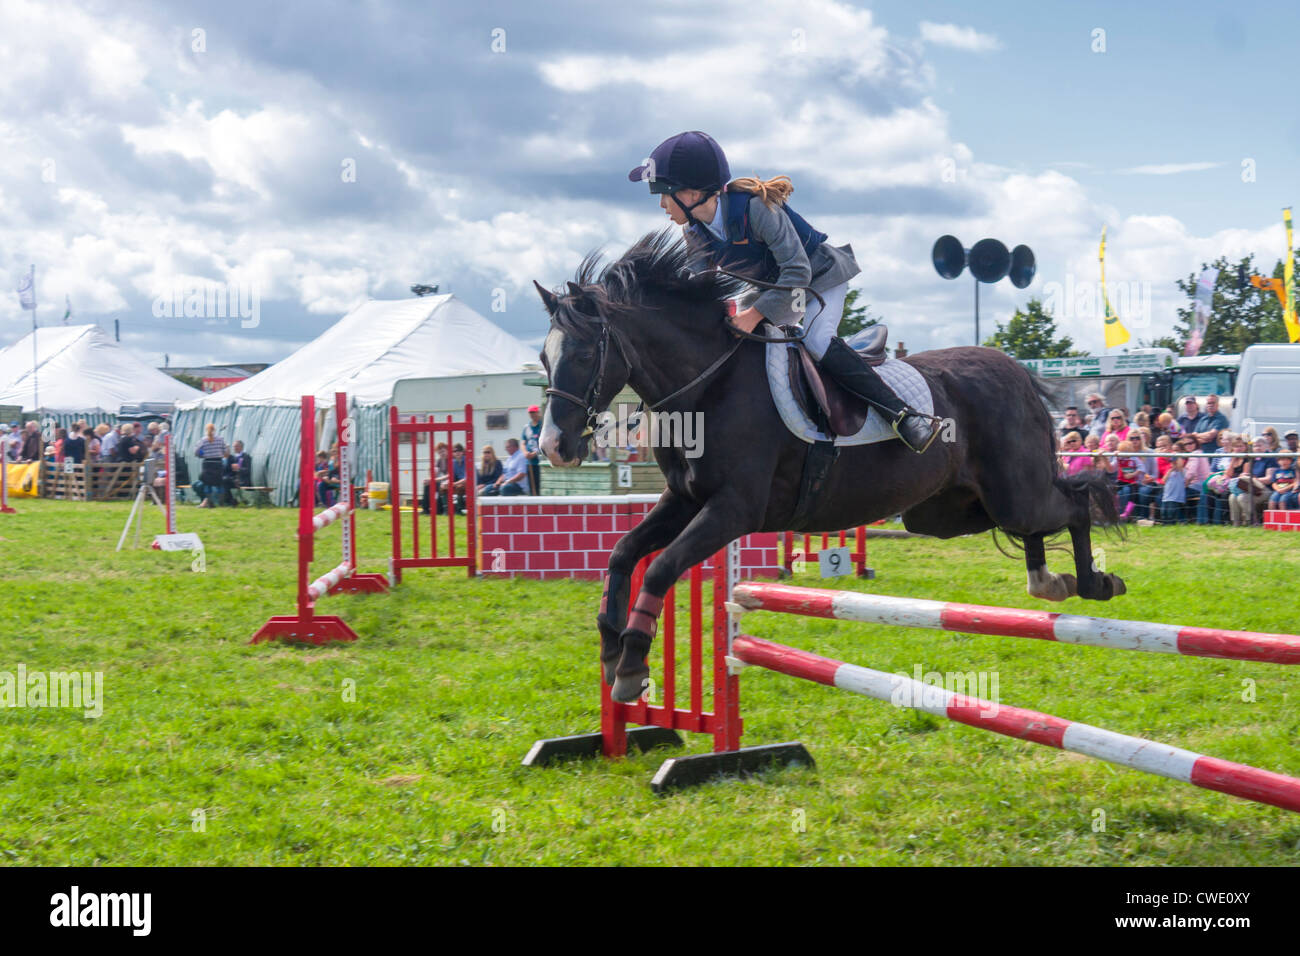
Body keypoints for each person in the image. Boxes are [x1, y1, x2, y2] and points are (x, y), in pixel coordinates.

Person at [629, 130, 938, 452]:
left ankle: (902, 416)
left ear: (693, 193)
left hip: (819, 278)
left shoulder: (755, 209)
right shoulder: (695, 232)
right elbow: (698, 288)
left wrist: (754, 314)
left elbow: (797, 271)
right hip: (777, 288)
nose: (663, 204)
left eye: (665, 193)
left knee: (816, 340)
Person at [193, 422, 229, 507]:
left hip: (207, 464)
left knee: (207, 484)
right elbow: (225, 452)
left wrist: (202, 455)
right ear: (214, 430)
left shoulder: (203, 440)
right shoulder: (220, 439)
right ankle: (221, 503)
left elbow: (196, 452)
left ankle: (210, 503)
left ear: (206, 430)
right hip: (218, 464)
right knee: (219, 483)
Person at [522, 405, 543, 494]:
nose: (532, 415)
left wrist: (535, 453)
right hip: (529, 462)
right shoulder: (526, 427)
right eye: (530, 413)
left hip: (539, 461)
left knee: (538, 485)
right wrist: (525, 452)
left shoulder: (542, 426)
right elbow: (523, 442)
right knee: (531, 486)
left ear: (538, 413)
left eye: (534, 412)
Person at [223, 440, 252, 505]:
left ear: (241, 447)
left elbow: (248, 470)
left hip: (242, 480)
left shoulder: (246, 457)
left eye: (236, 446)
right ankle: (231, 501)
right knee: (224, 480)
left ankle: (231, 501)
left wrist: (239, 469)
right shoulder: (234, 457)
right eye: (234, 447)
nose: (234, 448)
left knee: (225, 480)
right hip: (235, 479)